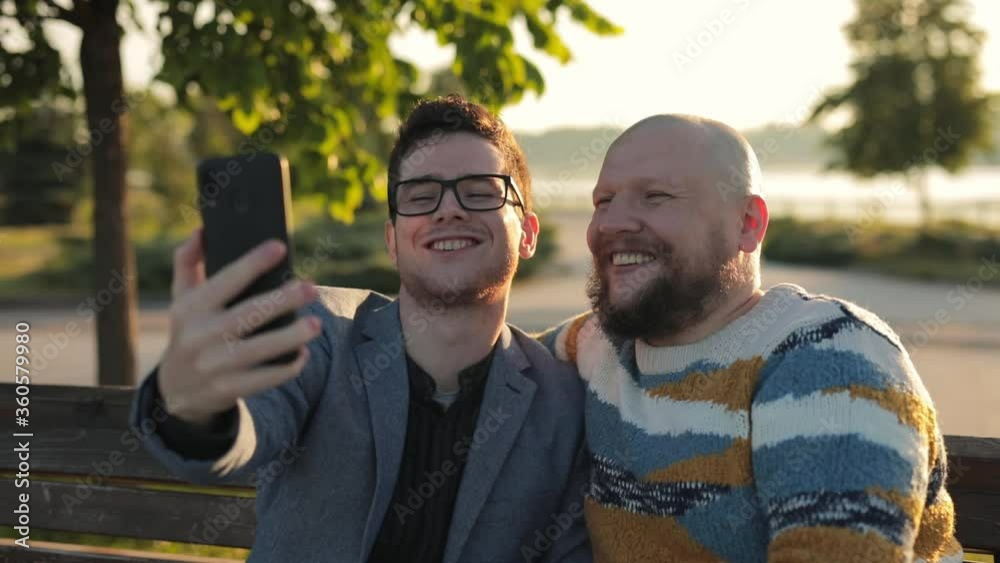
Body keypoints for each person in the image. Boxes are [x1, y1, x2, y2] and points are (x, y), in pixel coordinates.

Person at [130, 95, 591, 563]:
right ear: (392, 239)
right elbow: (245, 431)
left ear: (528, 233)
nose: (448, 210)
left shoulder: (563, 403)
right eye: (419, 195)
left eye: (480, 190)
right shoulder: (319, 331)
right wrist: (196, 410)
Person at [539, 114, 963, 562]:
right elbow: (490, 360)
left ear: (748, 223)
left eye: (655, 197)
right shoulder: (598, 345)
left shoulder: (828, 355)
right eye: (603, 201)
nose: (610, 223)